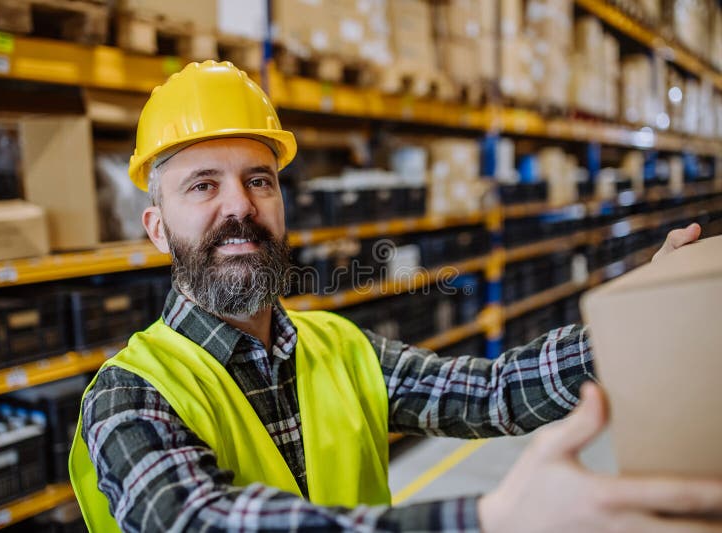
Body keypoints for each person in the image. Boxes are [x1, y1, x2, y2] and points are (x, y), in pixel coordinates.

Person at [69, 61, 722, 532]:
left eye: (259, 179)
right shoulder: (128, 397)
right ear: (157, 229)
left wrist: (638, 324)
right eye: (203, 186)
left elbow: (490, 391)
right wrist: (486, 517)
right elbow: (198, 519)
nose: (240, 205)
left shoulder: (339, 347)